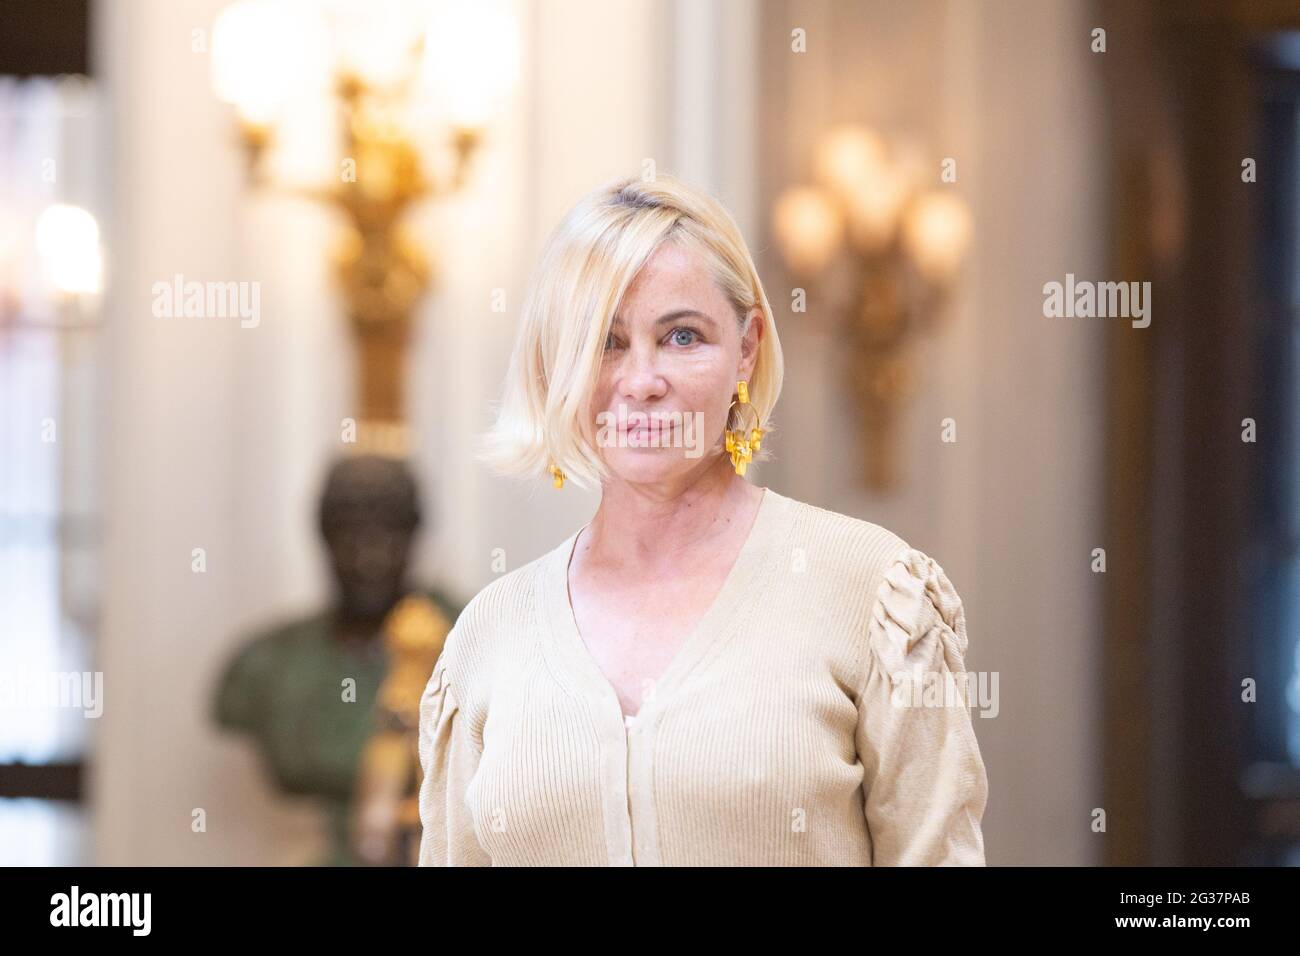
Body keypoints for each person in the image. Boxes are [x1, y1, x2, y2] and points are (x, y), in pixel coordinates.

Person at [417, 174, 988, 866]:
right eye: (605, 342)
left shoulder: (872, 595)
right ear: (554, 361)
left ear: (747, 348)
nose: (641, 380)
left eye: (682, 336)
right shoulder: (488, 637)